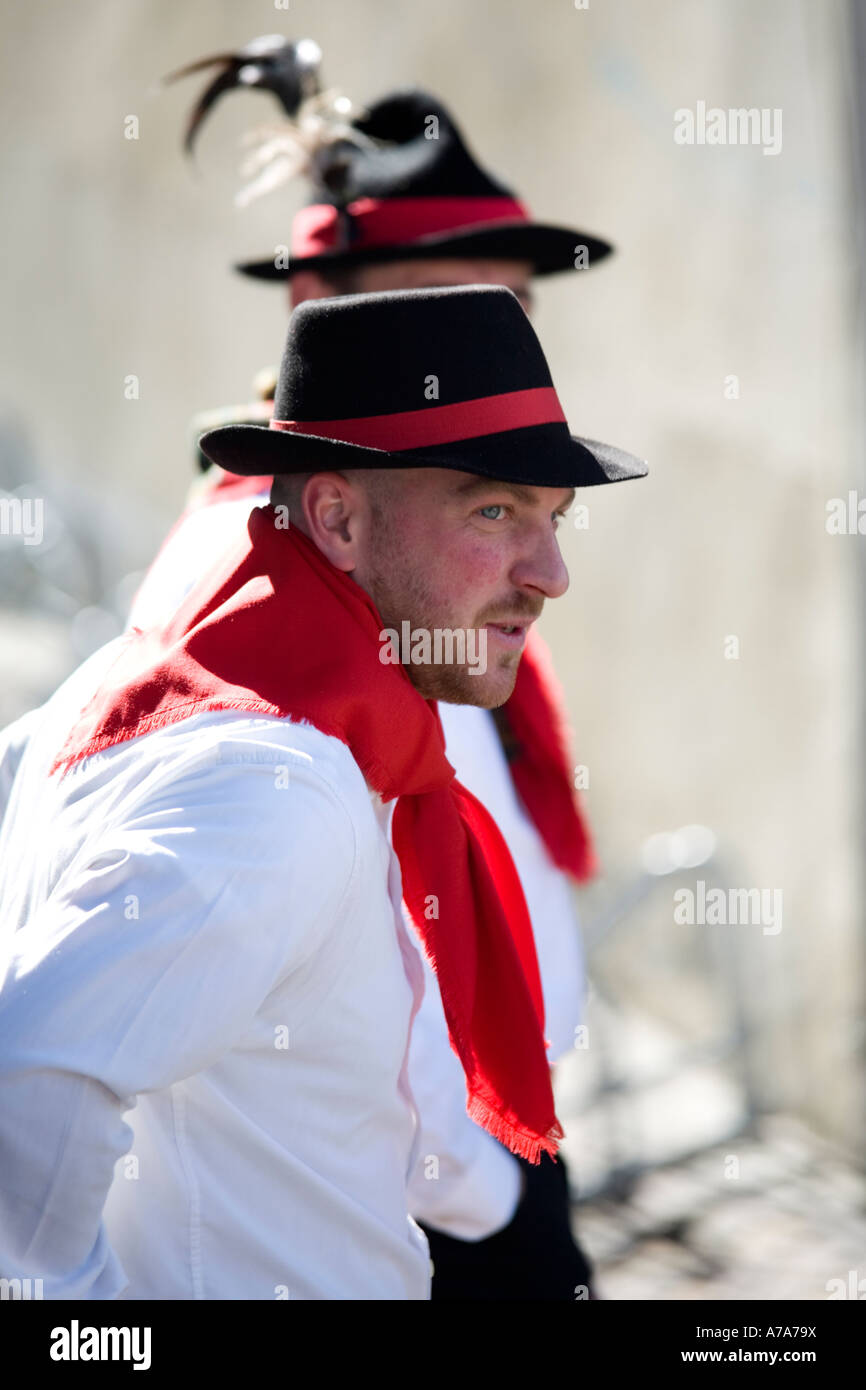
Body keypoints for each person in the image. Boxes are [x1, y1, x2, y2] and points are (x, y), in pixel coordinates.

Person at [0, 285, 646, 1300]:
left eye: (552, 519)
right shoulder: (276, 789)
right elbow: (27, 1080)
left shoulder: (145, 681)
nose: (551, 571)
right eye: (493, 510)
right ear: (337, 516)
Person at [132, 39, 618, 1298]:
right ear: (322, 310)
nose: (510, 340)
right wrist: (488, 1191)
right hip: (439, 1204)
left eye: (520, 303)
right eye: (469, 301)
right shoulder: (308, 579)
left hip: (497, 1143)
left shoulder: (423, 533)